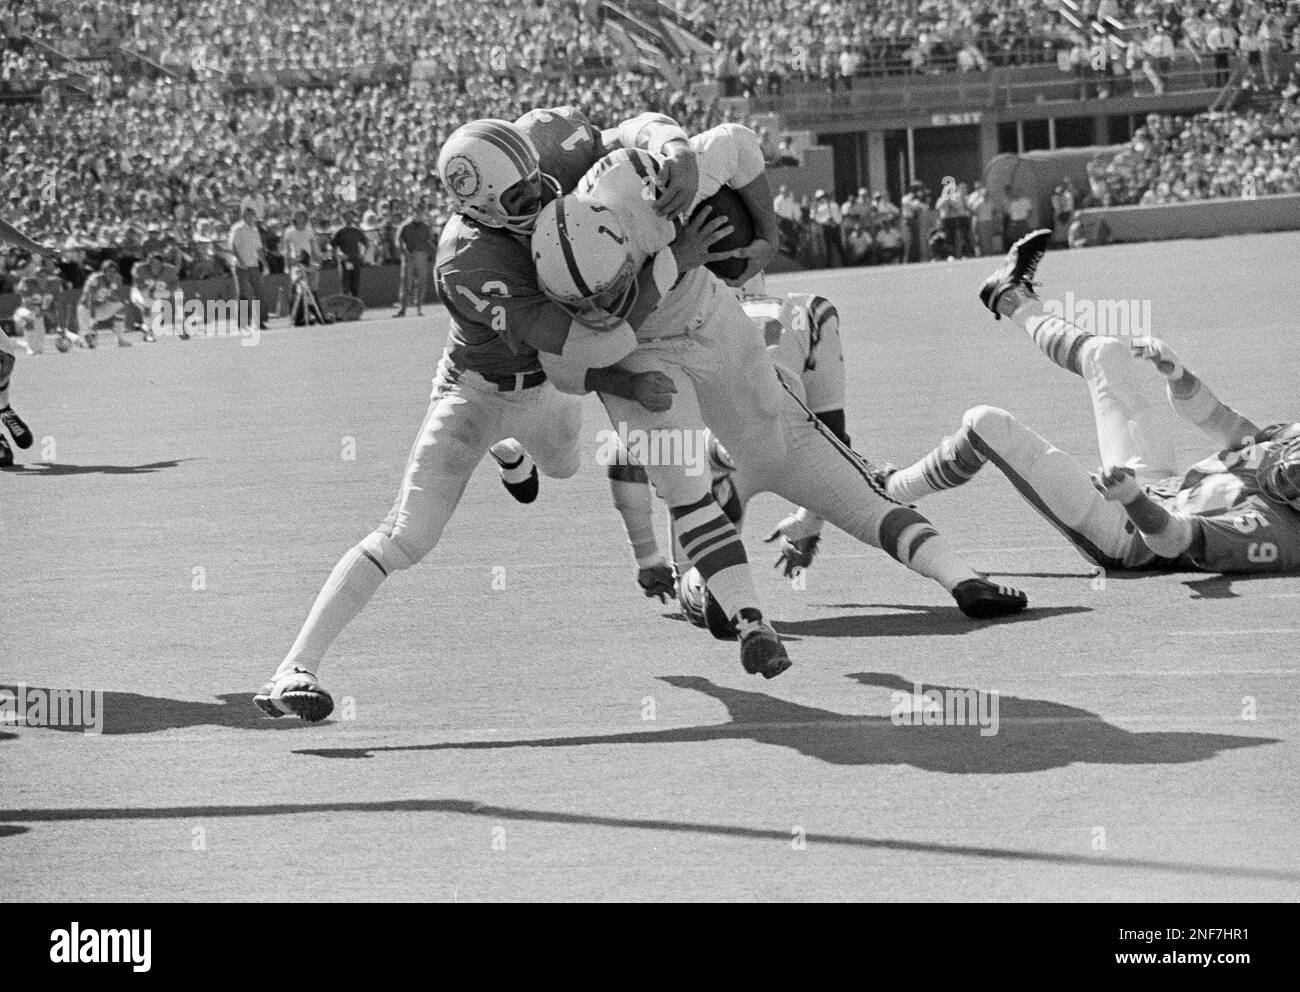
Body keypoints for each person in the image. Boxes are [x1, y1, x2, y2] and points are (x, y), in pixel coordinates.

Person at [254, 110, 709, 722]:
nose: (544, 193)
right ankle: (294, 668)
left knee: (567, 466)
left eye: (537, 177)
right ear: (486, 208)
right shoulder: (468, 261)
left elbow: (633, 128)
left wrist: (676, 151)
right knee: (407, 535)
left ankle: (513, 453)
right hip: (476, 393)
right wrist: (671, 265)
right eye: (521, 195)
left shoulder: (537, 162)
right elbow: (585, 347)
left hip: (546, 390)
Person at [533, 152, 1029, 644]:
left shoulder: (638, 283)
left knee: (689, 513)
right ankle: (963, 578)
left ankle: (713, 594)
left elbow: (618, 442)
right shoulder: (804, 309)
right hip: (778, 422)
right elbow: (835, 429)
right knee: (874, 509)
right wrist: (810, 520)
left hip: (712, 449)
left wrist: (645, 558)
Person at [881, 230, 1300, 574]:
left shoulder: (1279, 535)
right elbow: (1219, 421)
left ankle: (891, 489)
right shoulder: (1287, 445)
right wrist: (1179, 377)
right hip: (1158, 482)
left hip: (1126, 530)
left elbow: (1173, 541)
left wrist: (1132, 499)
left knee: (986, 423)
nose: (1292, 469)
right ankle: (1012, 297)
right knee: (1104, 353)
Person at [228, 206, 269, 331]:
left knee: (259, 293)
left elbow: (258, 249)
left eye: (253, 215)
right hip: (241, 267)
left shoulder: (255, 230)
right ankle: (243, 323)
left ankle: (260, 321)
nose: (251, 217)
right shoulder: (238, 228)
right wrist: (240, 261)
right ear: (244, 216)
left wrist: (265, 263)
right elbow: (232, 246)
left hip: (254, 265)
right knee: (243, 295)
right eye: (249, 215)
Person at [394, 201, 434, 317]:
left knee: (421, 282)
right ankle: (403, 309)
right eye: (415, 211)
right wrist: (403, 252)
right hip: (408, 256)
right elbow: (398, 241)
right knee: (406, 282)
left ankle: (419, 308)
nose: (417, 213)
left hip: (422, 255)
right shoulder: (405, 226)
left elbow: (430, 241)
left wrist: (432, 253)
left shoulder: (426, 227)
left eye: (420, 211)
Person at [331, 210, 367, 300]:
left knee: (356, 284)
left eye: (351, 216)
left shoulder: (357, 231)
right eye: (347, 216)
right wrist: (339, 254)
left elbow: (365, 243)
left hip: (356, 260)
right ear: (343, 218)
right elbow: (332, 246)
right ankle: (345, 305)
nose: (349, 218)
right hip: (345, 261)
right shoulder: (339, 231)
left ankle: (356, 305)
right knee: (345, 284)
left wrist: (362, 253)